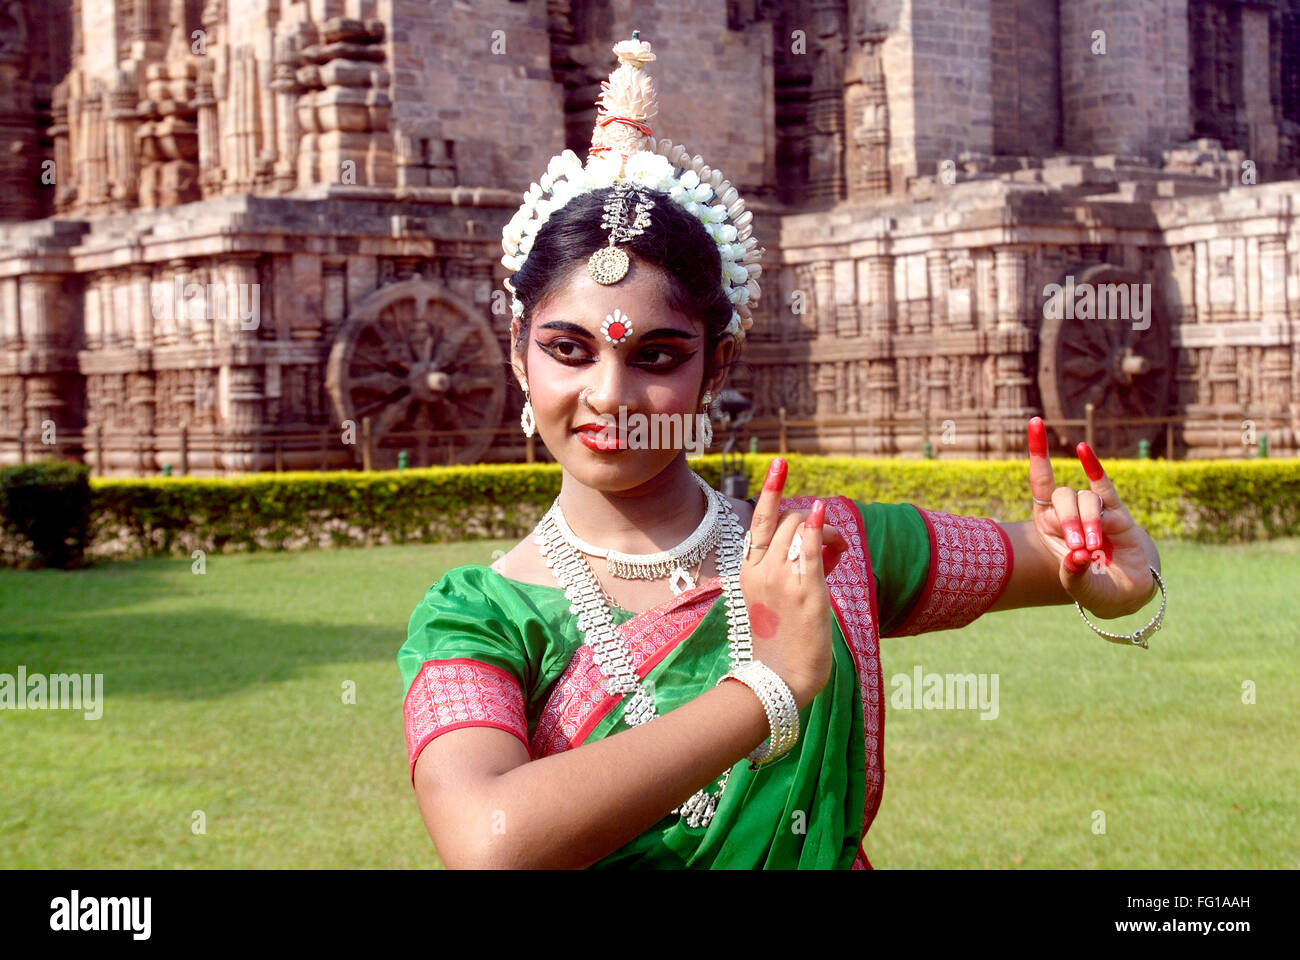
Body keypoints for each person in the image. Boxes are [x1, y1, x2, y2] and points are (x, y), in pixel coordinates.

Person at [397, 35, 1164, 869]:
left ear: (716, 363)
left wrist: (1112, 576)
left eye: (655, 355)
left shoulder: (823, 553)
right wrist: (769, 687)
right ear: (519, 353)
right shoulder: (476, 617)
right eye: (570, 350)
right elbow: (486, 841)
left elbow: (1056, 557)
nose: (610, 395)